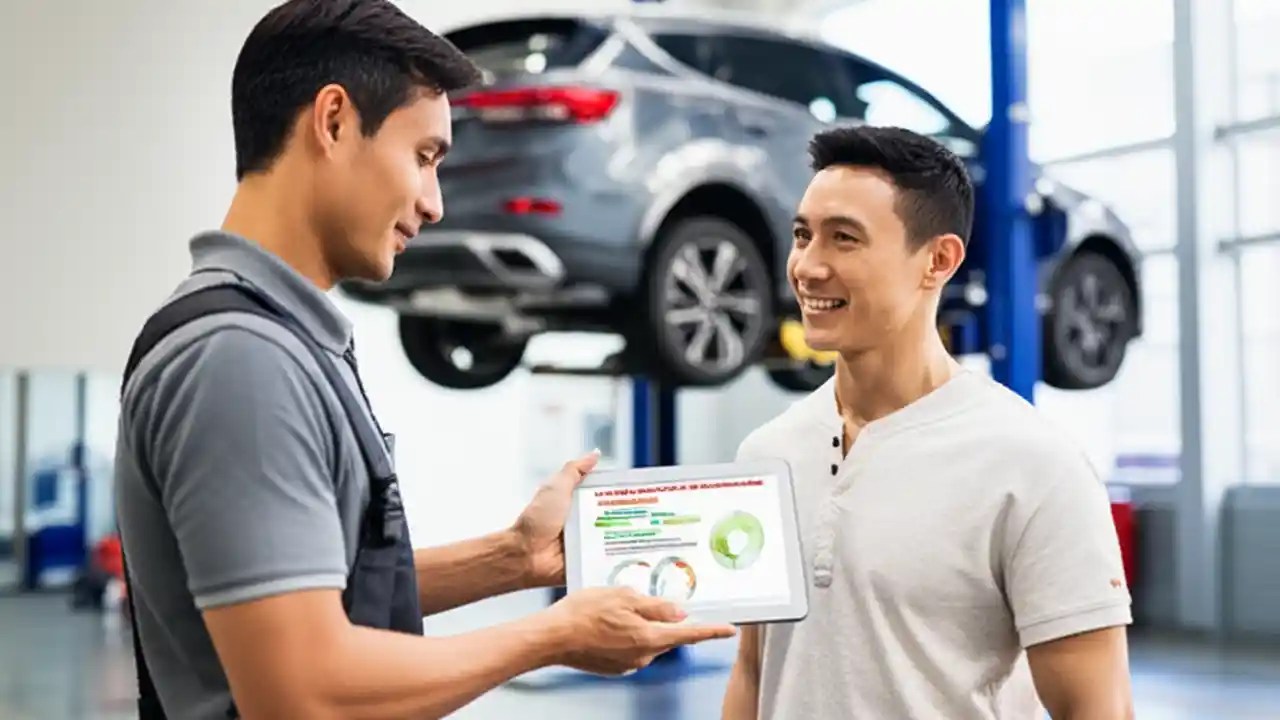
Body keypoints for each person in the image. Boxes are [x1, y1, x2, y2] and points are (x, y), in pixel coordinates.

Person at [113, 1, 735, 718]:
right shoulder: (239, 360)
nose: (435, 203)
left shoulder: (278, 340)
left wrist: (512, 559)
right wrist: (551, 636)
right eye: (425, 157)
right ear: (335, 121)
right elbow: (303, 695)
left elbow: (327, 591)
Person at [720, 126, 1134, 720]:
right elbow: (755, 672)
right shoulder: (768, 452)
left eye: (844, 239)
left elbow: (1099, 709)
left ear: (938, 260)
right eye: (802, 235)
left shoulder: (1033, 464)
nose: (808, 267)